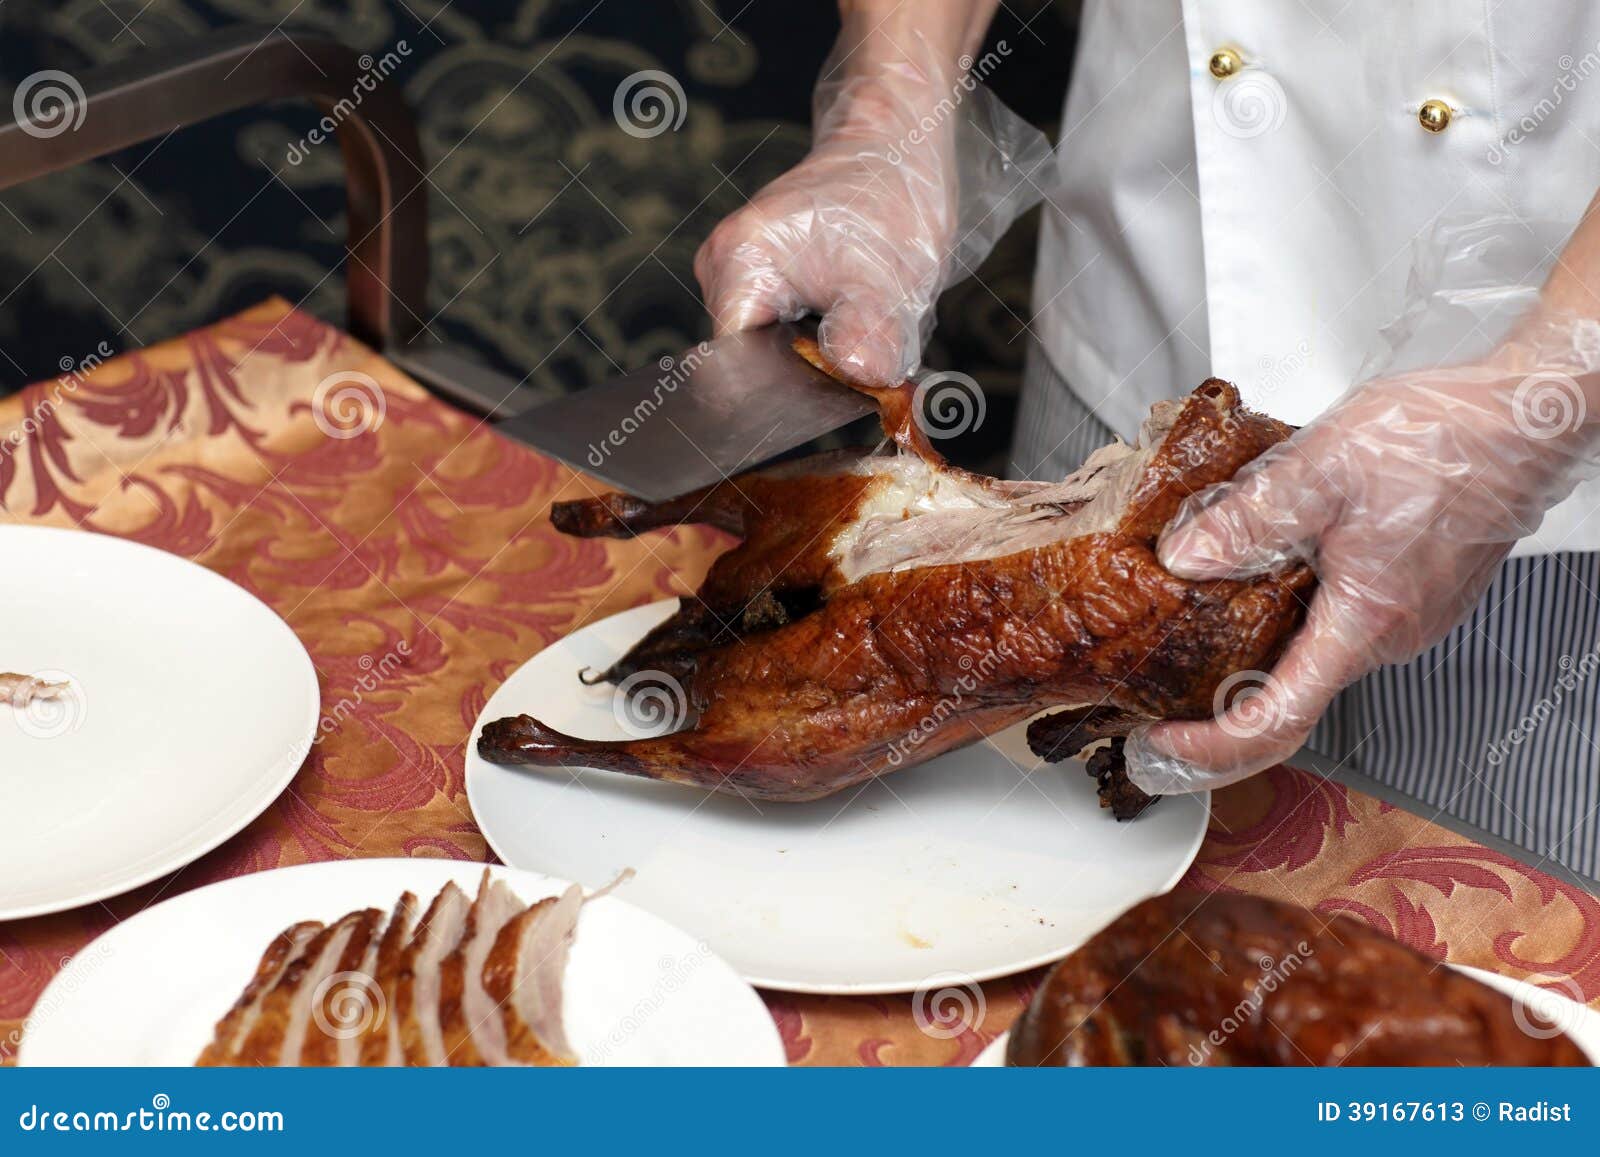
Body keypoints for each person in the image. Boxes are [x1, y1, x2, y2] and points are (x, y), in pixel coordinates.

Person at [694, 1, 1600, 879]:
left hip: (1535, 494)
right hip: (1134, 375)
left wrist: (1538, 393)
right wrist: (889, 116)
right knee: (1005, 879)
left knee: (1468, 955)